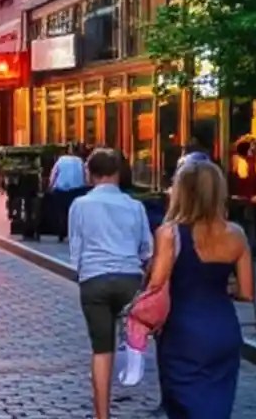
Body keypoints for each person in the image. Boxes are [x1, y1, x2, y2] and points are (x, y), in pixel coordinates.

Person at [149, 159, 252, 418]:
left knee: (183, 405)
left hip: (182, 332)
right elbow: (247, 292)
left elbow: (156, 286)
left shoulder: (169, 234)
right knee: (218, 405)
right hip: (223, 328)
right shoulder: (236, 234)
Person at [67, 148, 153, 419]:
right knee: (136, 340)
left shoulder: (79, 205)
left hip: (94, 279)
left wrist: (82, 273)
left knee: (101, 349)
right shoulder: (135, 206)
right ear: (118, 173)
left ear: (90, 174)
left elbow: (75, 249)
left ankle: (101, 414)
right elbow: (146, 250)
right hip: (129, 279)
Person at [47, 143, 90, 241]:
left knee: (61, 211)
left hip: (60, 189)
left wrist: (50, 185)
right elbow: (85, 177)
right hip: (77, 190)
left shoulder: (61, 160)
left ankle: (62, 231)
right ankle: (72, 231)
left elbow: (54, 173)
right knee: (73, 212)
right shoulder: (80, 161)